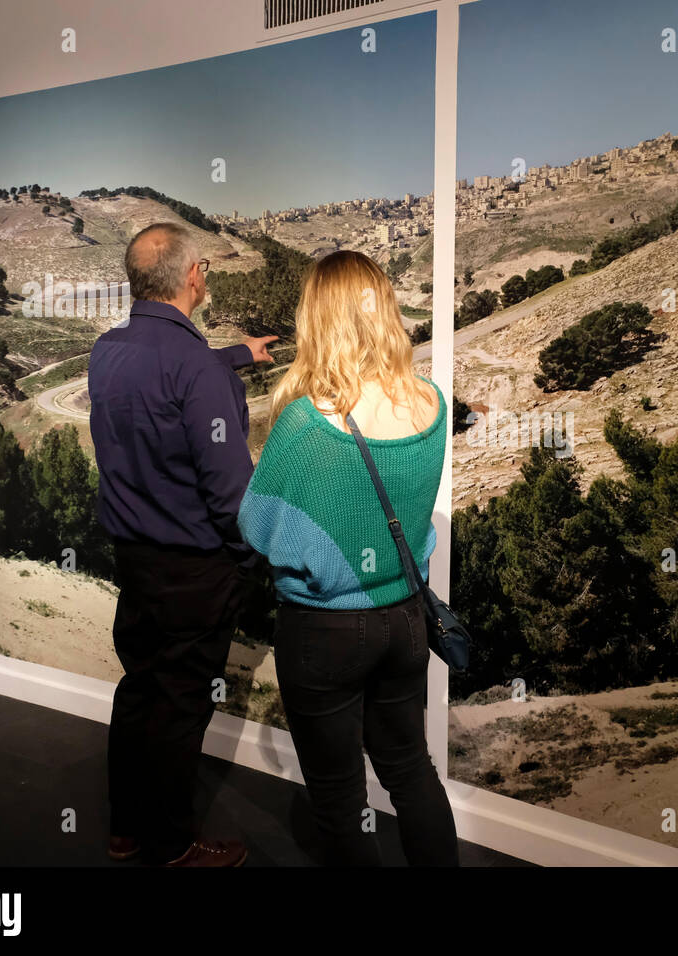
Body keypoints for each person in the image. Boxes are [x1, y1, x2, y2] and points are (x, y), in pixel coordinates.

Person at [237, 250, 458, 866]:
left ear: (318, 318)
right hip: (406, 622)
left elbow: (258, 526)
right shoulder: (431, 406)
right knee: (412, 774)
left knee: (338, 800)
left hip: (325, 630)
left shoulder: (307, 424)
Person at [88, 221, 278, 867]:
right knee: (179, 707)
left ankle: (125, 829)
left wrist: (232, 357)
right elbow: (230, 494)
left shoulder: (108, 350)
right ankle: (171, 847)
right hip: (195, 566)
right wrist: (253, 559)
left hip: (134, 556)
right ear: (194, 276)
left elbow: (162, 382)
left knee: (140, 689)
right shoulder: (195, 369)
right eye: (205, 268)